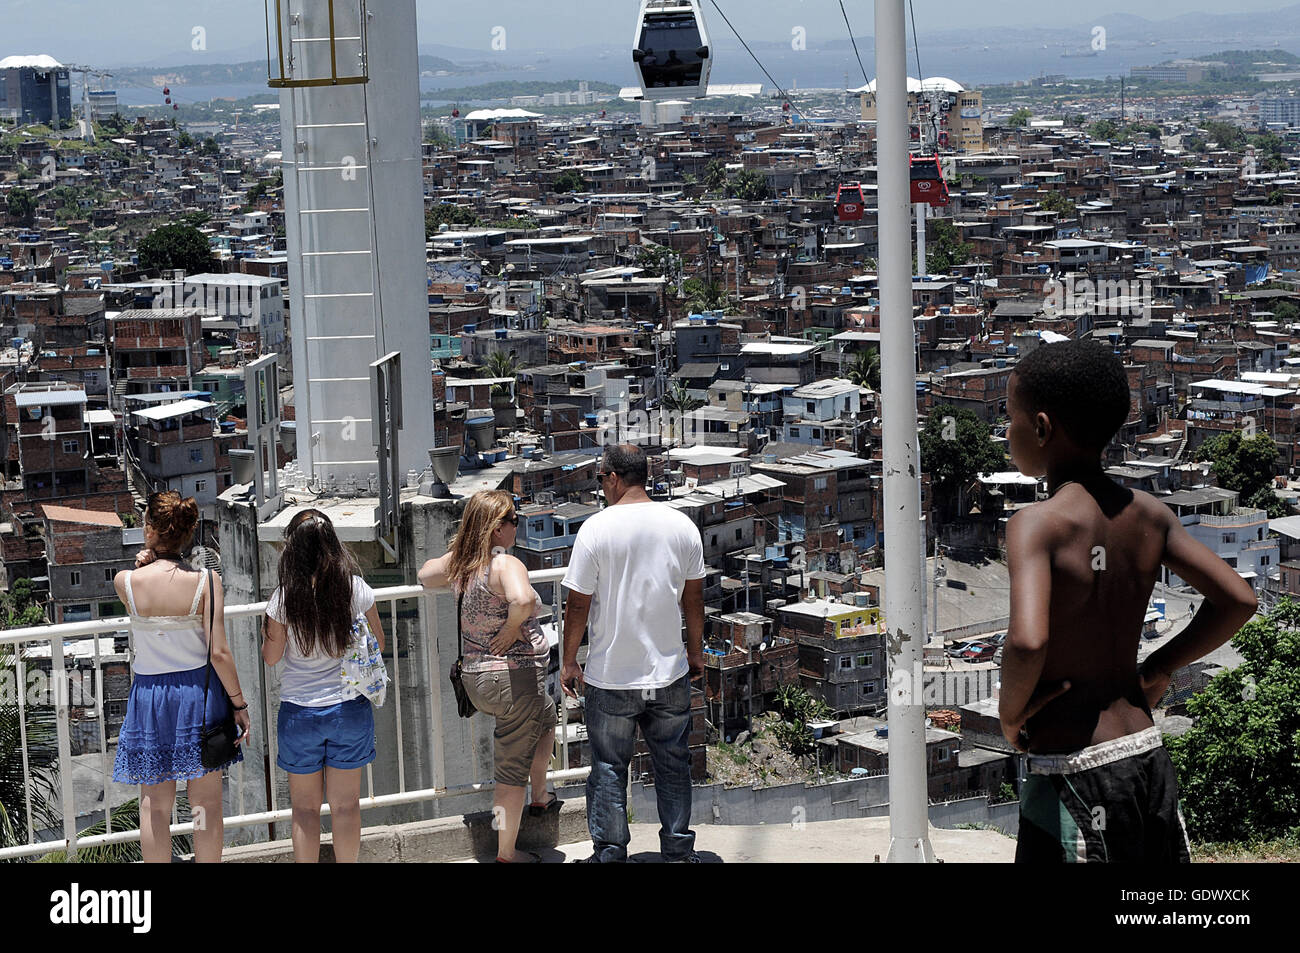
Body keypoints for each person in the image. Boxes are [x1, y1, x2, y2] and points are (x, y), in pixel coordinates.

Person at [1001, 339, 1257, 863]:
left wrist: (1010, 717)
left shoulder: (1036, 524)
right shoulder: (1149, 514)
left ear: (1044, 428)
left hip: (1074, 769)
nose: (1006, 433)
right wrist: (1162, 664)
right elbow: (1237, 598)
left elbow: (1028, 642)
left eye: (1011, 419)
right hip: (1146, 756)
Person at [561, 444, 706, 863]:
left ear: (611, 477)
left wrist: (570, 661)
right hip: (669, 672)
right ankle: (678, 853)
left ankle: (610, 853)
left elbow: (578, 605)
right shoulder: (681, 526)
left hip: (611, 676)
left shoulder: (595, 529)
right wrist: (695, 654)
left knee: (608, 767)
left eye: (600, 478)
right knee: (674, 764)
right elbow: (694, 600)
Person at [419, 490, 558, 863]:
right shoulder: (505, 564)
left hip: (476, 680)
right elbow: (524, 601)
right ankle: (506, 853)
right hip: (513, 678)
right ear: (497, 529)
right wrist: (513, 630)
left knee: (547, 718)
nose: (517, 525)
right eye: (513, 520)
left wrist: (459, 553)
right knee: (510, 775)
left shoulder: (462, 565)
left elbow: (424, 574)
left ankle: (541, 795)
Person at [113, 491, 251, 863]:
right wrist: (239, 703)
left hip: (150, 697)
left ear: (150, 531)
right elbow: (218, 652)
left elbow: (143, 575)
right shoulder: (207, 582)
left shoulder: (125, 581)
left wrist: (144, 559)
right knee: (205, 803)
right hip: (198, 695)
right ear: (187, 533)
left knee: (155, 805)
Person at [263, 509, 384, 863]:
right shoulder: (355, 589)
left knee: (304, 811)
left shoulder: (283, 599)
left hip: (300, 713)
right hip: (349, 708)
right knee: (346, 808)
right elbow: (377, 641)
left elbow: (271, 657)